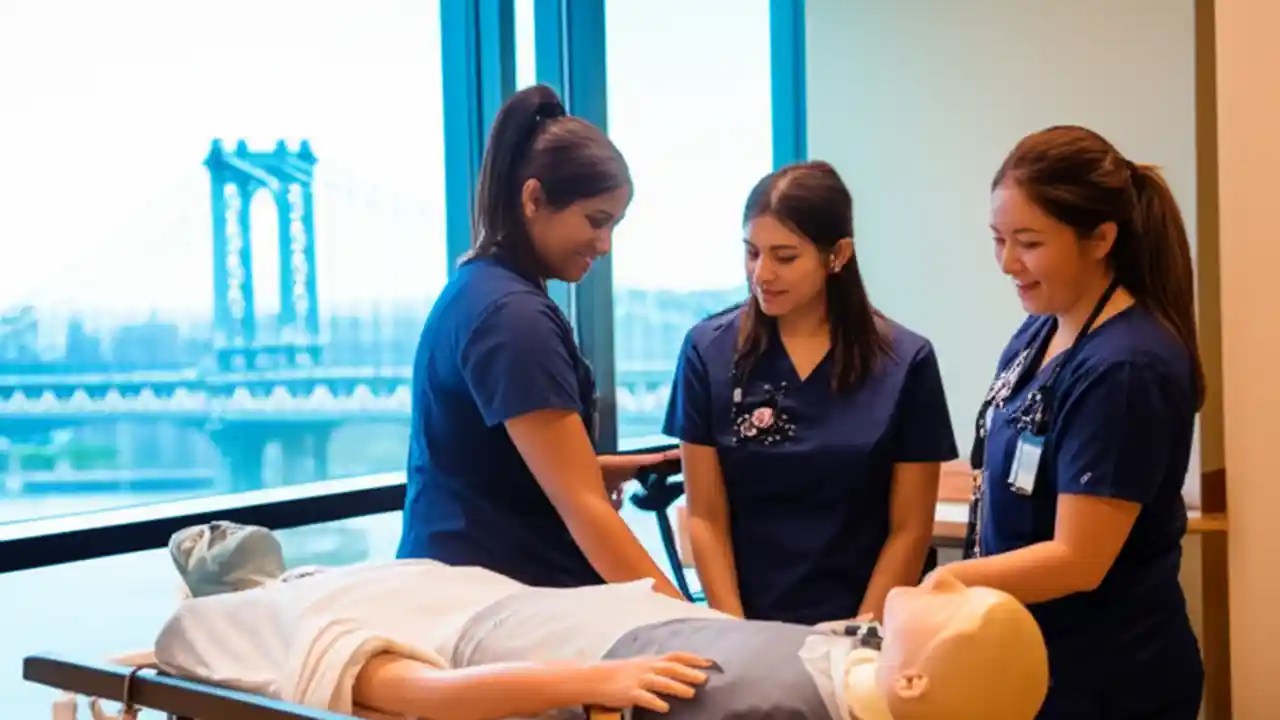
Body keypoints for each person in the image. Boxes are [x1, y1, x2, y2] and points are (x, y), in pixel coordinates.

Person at [154, 522, 1050, 720]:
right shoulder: (297, 617)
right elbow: (419, 692)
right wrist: (593, 678)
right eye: (214, 546)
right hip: (574, 631)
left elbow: (429, 687)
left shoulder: (300, 608)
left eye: (950, 610)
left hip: (561, 628)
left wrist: (597, 674)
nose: (943, 586)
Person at [941, 125, 1205, 718]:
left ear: (1100, 238)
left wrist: (949, 585)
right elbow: (1010, 474)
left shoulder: (1126, 367)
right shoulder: (1040, 331)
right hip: (1033, 661)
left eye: (1029, 243)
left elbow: (1078, 559)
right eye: (998, 239)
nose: (1008, 263)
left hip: (1110, 679)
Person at [396, 84, 681, 598]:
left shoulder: (477, 289)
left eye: (614, 225)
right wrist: (694, 624)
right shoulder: (514, 319)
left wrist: (593, 469)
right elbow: (585, 510)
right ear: (533, 198)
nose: (605, 244)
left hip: (456, 592)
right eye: (596, 221)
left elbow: (487, 466)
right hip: (497, 608)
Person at [662, 161, 958, 625]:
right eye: (752, 252)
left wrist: (862, 634)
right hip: (746, 620)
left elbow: (911, 528)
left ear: (837, 254)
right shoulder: (708, 352)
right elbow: (705, 517)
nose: (762, 274)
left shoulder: (906, 361)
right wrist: (735, 633)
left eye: (785, 256)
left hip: (865, 624)